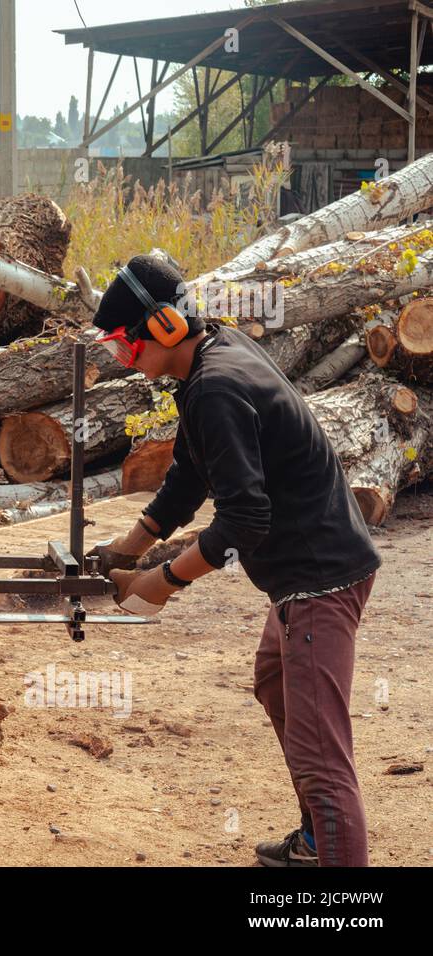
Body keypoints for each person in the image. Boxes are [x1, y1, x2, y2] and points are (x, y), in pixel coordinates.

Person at [91, 254, 381, 867]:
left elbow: (245, 522)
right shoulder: (211, 359)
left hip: (318, 583)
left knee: (322, 762)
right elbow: (192, 472)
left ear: (166, 326)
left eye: (123, 345)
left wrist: (161, 581)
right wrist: (128, 547)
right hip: (308, 574)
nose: (124, 359)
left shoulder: (217, 386)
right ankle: (312, 843)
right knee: (275, 683)